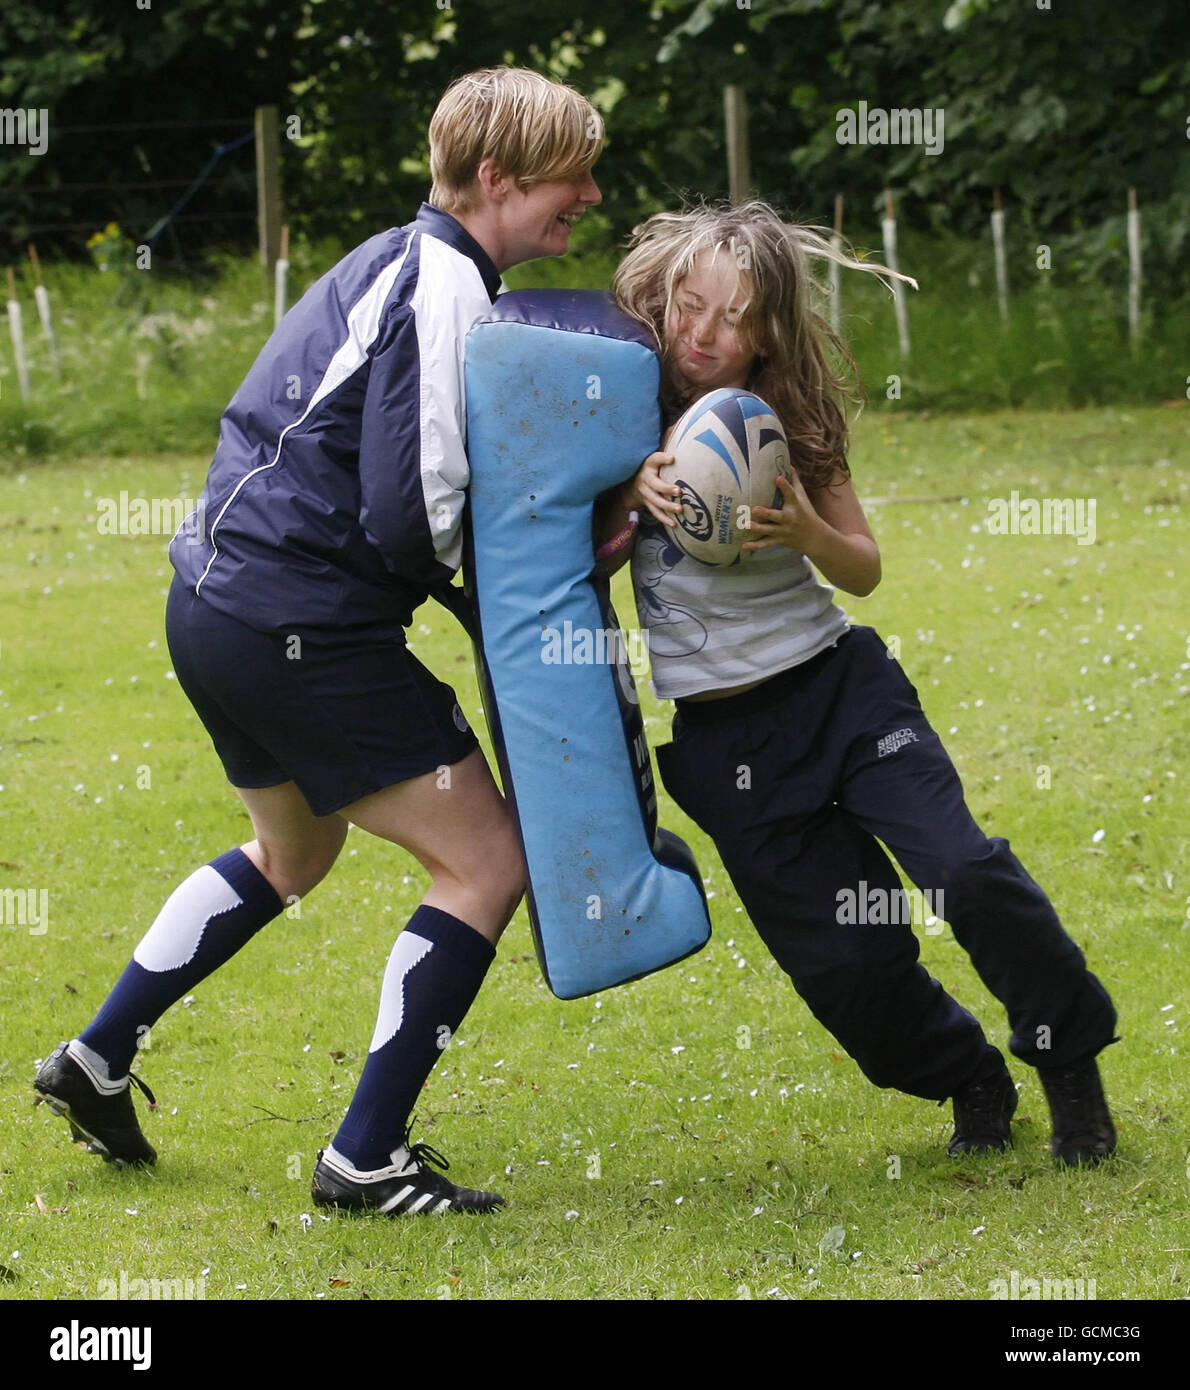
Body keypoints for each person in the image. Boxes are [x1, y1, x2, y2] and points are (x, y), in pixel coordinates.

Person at [34, 66, 604, 1215]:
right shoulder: (443, 284)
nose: (588, 197)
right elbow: (415, 505)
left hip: (215, 609)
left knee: (292, 855)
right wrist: (532, 577)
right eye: (570, 176)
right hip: (296, 621)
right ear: (495, 177)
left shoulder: (393, 256)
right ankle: (364, 1159)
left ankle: (95, 1061)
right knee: (487, 861)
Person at [598, 201, 1118, 1166]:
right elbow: (554, 514)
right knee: (846, 962)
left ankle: (1067, 1056)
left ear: (768, 333)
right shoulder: (617, 405)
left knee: (962, 870)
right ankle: (968, 1075)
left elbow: (864, 567)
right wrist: (631, 486)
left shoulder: (787, 420)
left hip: (842, 696)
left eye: (733, 317)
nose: (701, 333)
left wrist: (808, 534)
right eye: (689, 305)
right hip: (727, 746)